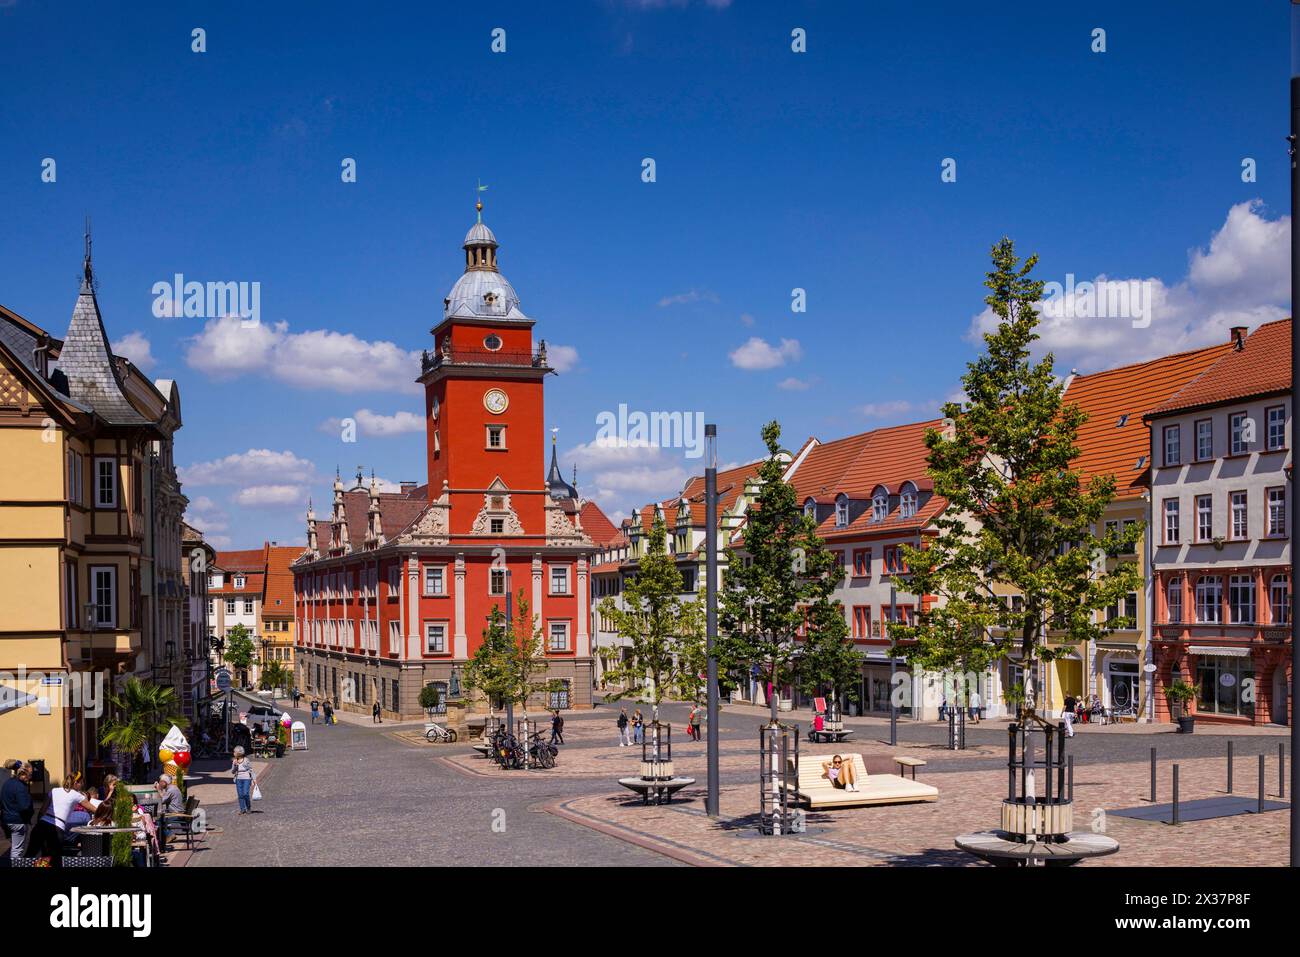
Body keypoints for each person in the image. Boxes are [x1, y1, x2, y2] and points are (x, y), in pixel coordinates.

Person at [29, 773, 95, 865]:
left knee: (33, 856)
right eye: (81, 783)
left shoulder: (54, 790)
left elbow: (42, 811)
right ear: (76, 783)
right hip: (56, 829)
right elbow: (93, 809)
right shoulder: (77, 795)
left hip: (41, 825)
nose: (82, 785)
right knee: (54, 860)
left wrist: (38, 825)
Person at [2, 760, 34, 862]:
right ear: (24, 774)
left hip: (6, 820)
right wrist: (30, 812)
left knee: (14, 846)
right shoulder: (20, 787)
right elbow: (24, 806)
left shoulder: (7, 783)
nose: (31, 777)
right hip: (18, 821)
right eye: (30, 774)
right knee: (17, 850)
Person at [231, 746, 257, 814]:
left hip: (246, 779)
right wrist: (235, 766)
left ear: (239, 753)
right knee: (240, 795)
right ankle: (242, 809)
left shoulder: (246, 760)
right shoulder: (234, 761)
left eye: (235, 752)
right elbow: (232, 772)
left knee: (245, 793)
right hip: (238, 779)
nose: (233, 753)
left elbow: (251, 769)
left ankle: (248, 807)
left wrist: (254, 779)